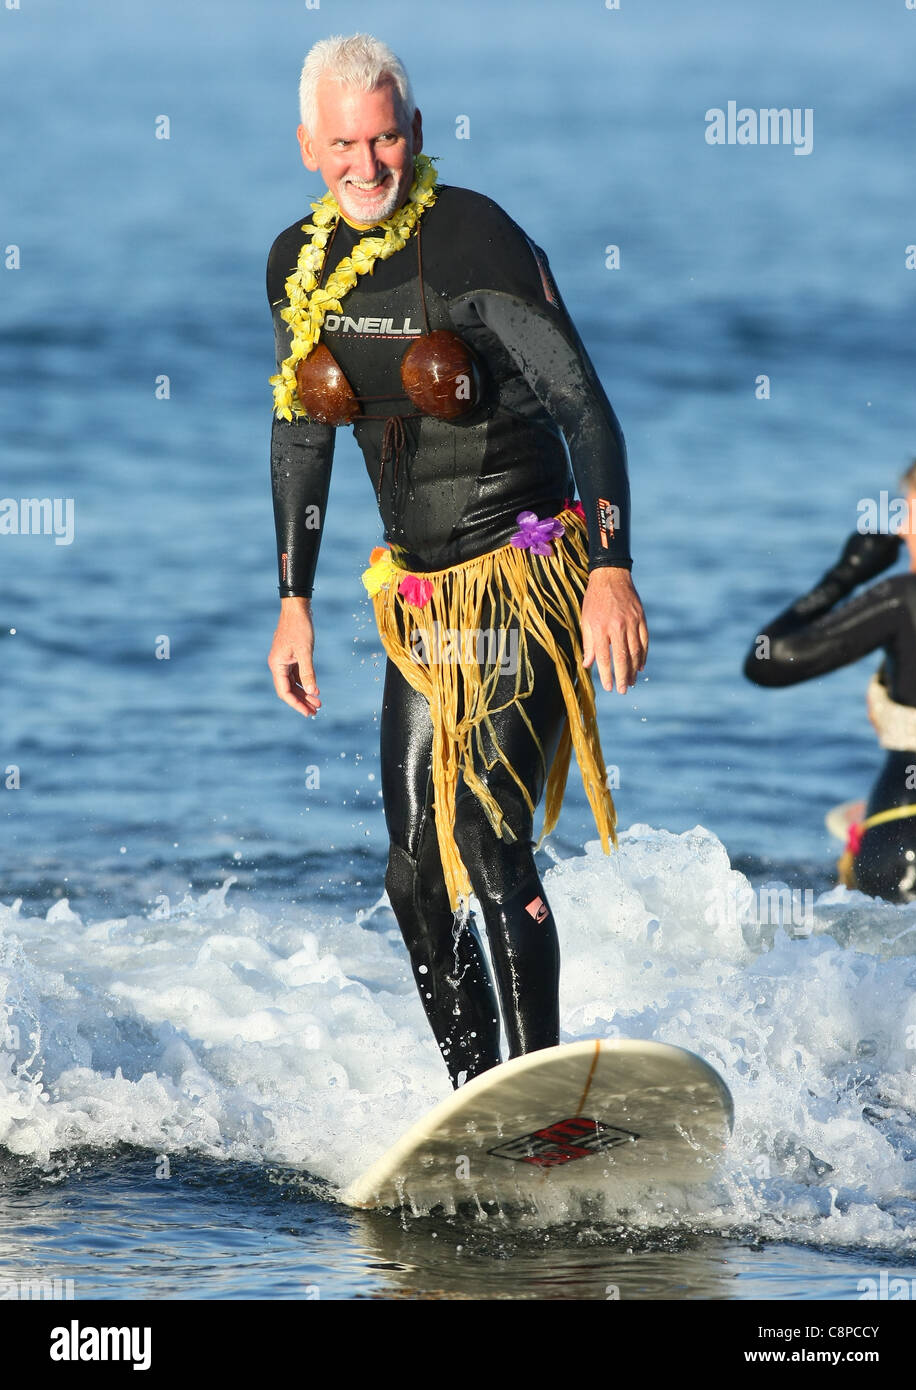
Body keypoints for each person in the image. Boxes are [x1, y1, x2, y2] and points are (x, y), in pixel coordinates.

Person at [266, 34, 648, 1087]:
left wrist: (610, 566)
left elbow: (583, 405)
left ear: (414, 132)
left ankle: (543, 1095)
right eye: (345, 142)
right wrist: (292, 600)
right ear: (309, 145)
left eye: (385, 136)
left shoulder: (474, 238)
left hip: (522, 575)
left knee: (487, 837)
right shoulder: (295, 268)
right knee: (410, 875)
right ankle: (477, 1102)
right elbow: (300, 433)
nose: (367, 162)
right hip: (420, 600)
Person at [743, 453, 916, 903]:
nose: (903, 532)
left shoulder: (908, 598)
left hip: (910, 831)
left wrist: (846, 575)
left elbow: (768, 661)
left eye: (907, 511)